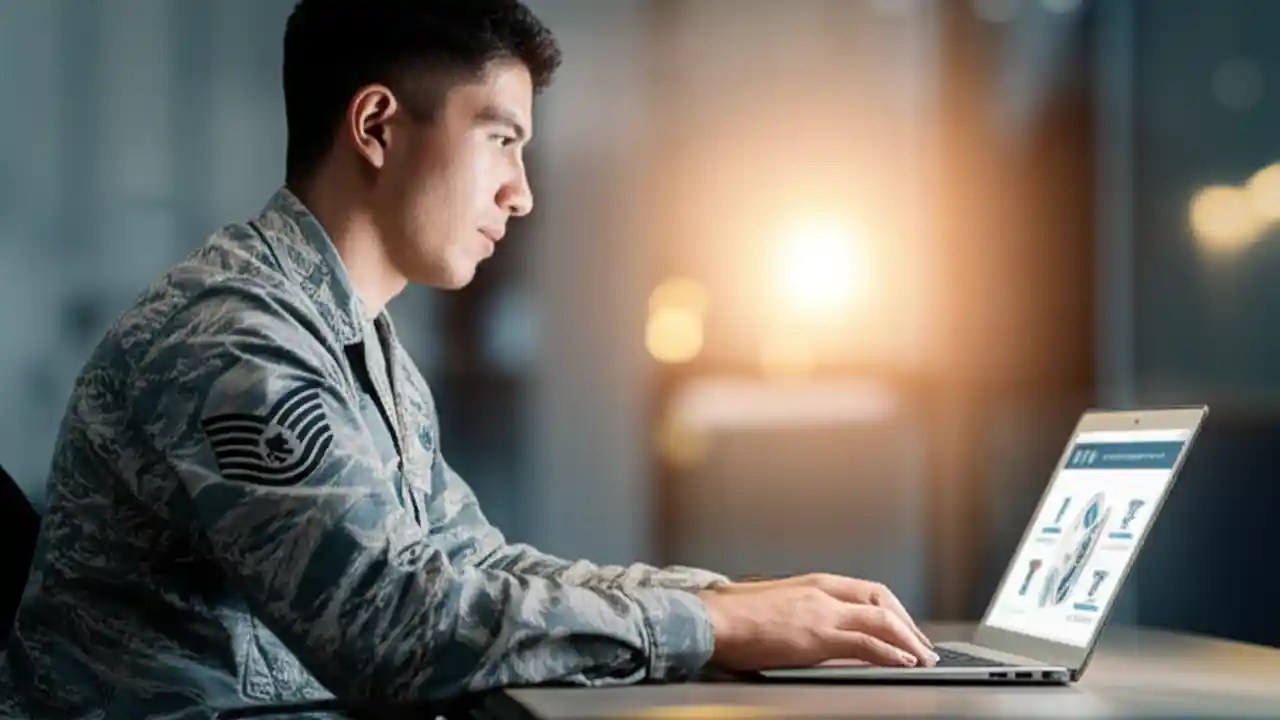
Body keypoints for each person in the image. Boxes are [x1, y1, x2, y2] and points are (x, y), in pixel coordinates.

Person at [0, 1, 936, 717]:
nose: (520, 194)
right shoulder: (234, 338)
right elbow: (392, 624)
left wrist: (728, 598)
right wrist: (718, 627)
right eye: (501, 140)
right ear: (375, 127)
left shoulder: (353, 341)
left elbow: (470, 570)